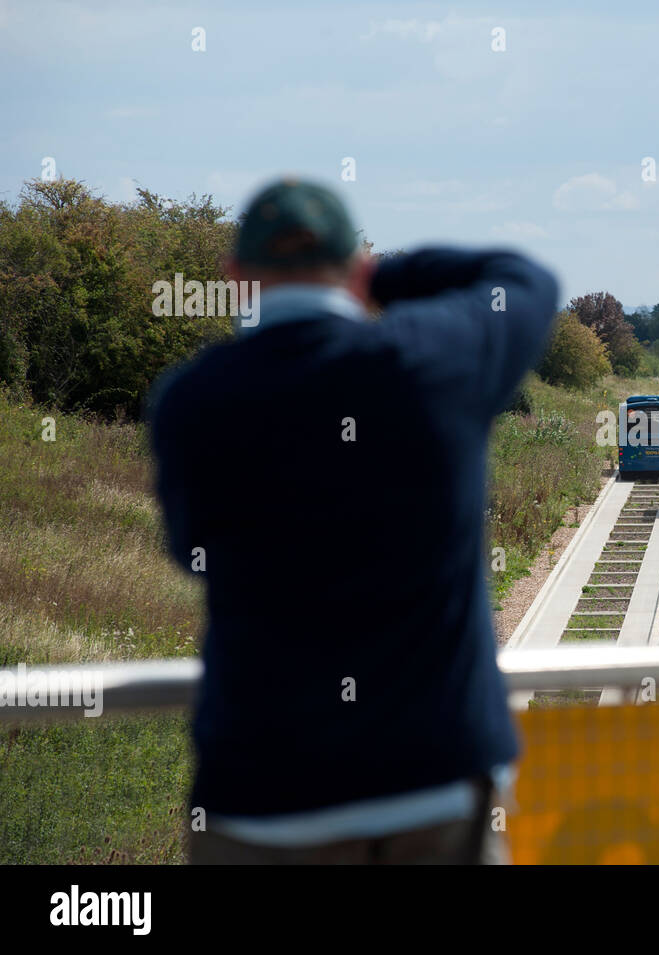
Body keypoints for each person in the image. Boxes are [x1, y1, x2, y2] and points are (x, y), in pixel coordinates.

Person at [148, 178, 558, 864]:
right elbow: (525, 280)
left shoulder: (190, 400)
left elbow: (191, 550)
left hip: (262, 801)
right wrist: (390, 276)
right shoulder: (434, 358)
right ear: (357, 268)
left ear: (235, 277)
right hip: (435, 784)